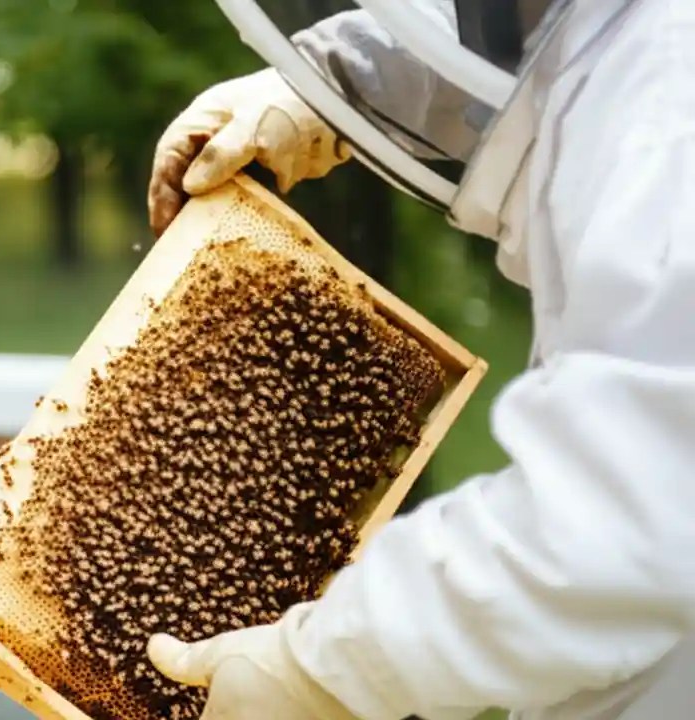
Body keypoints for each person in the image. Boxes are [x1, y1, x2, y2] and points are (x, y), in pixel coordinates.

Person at [144, 1, 695, 718]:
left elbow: (619, 524)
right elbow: (527, 41)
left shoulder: (666, 93)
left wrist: (321, 670)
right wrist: (332, 82)